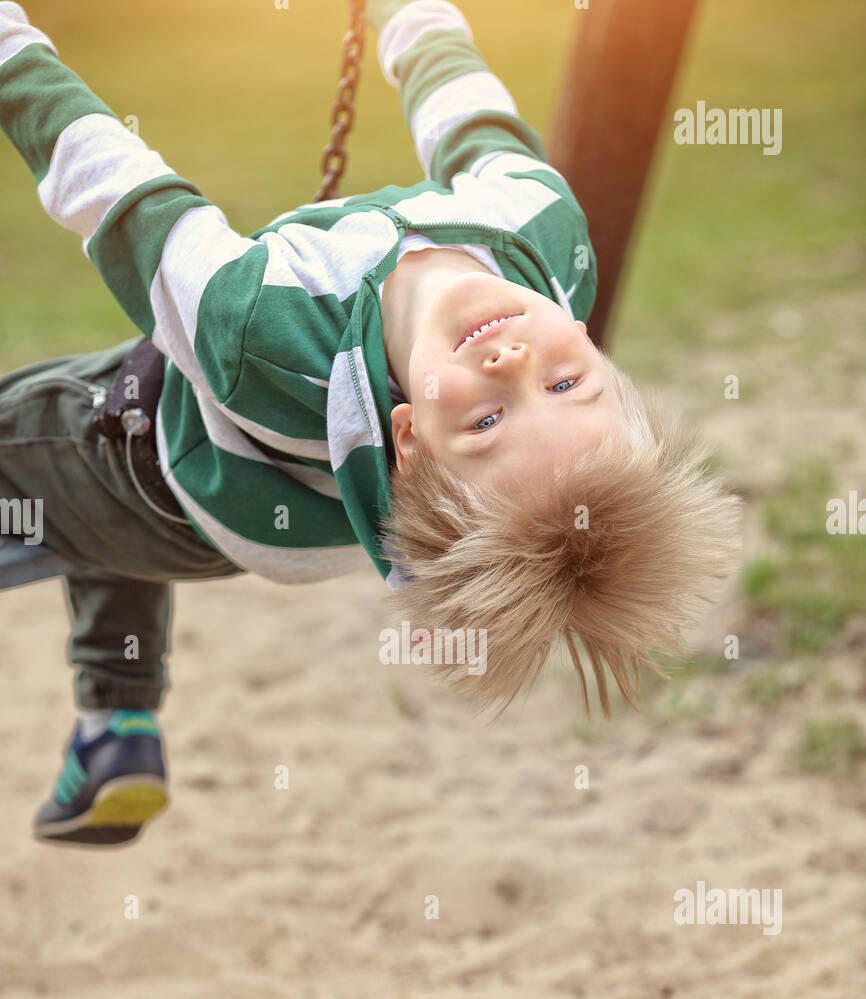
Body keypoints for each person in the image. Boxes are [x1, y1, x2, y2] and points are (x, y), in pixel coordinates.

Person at [0, 0, 739, 846]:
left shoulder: (255, 327)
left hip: (149, 466)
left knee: (47, 443)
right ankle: (116, 733)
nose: (513, 365)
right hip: (238, 509)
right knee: (106, 542)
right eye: (569, 381)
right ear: (600, 356)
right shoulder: (545, 229)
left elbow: (113, 185)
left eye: (489, 421)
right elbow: (466, 107)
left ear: (411, 441)